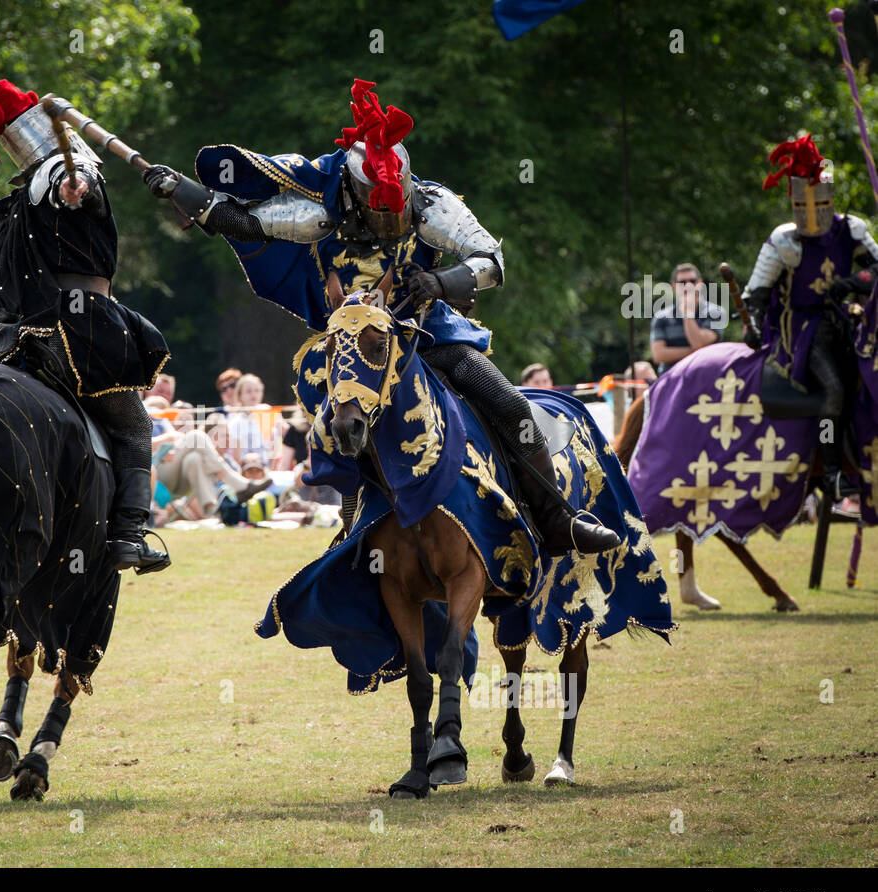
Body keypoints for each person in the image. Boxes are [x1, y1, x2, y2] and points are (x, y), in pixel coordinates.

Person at [144, 79, 619, 554]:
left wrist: (441, 282)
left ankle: (557, 518)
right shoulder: (319, 210)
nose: (389, 221)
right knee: (332, 415)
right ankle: (351, 524)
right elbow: (245, 222)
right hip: (353, 346)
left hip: (427, 334)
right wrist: (182, 192)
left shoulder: (433, 204)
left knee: (511, 405)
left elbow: (491, 261)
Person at [0, 70, 171, 573]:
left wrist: (72, 185)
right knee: (135, 426)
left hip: (2, 341)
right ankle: (129, 534)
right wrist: (76, 184)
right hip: (73, 336)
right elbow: (75, 185)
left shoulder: (12, 207)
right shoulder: (72, 174)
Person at [742, 134, 878, 498]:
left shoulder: (852, 230)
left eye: (818, 201)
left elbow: (876, 271)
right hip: (802, 332)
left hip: (848, 324)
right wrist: (752, 325)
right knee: (832, 389)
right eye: (803, 202)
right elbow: (756, 292)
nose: (812, 211)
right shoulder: (785, 240)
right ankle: (832, 471)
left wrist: (850, 281)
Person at [650, 263, 724, 375]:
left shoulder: (715, 312)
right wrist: (697, 352)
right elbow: (659, 355)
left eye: (692, 281)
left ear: (700, 284)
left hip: (706, 378)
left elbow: (698, 343)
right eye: (682, 283)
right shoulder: (661, 317)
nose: (688, 286)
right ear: (674, 287)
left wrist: (688, 314)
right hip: (672, 380)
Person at [227, 373, 272, 465]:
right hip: (246, 469)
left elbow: (277, 446)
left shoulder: (269, 414)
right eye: (248, 391)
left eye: (257, 390)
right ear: (240, 396)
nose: (253, 395)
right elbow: (237, 458)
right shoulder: (236, 421)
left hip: (267, 468)